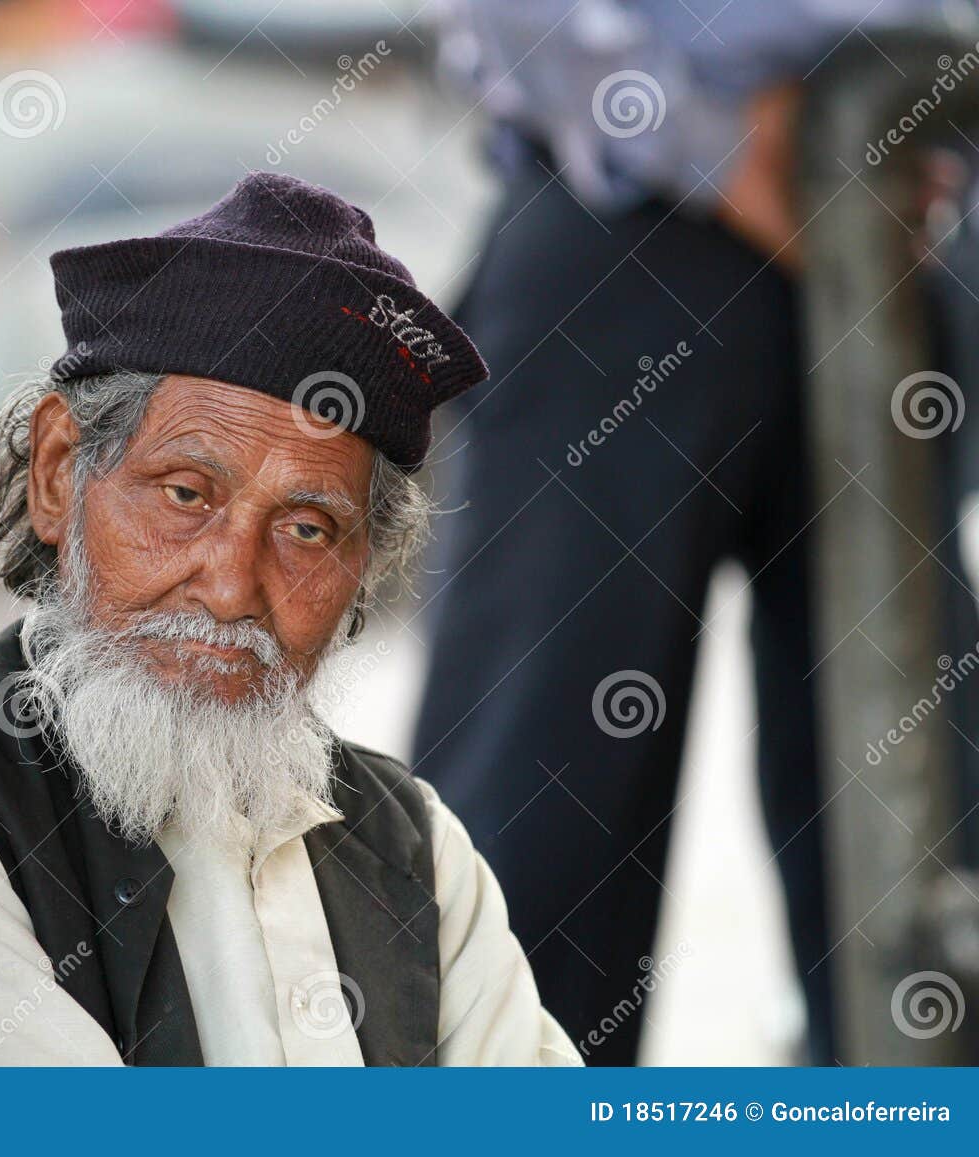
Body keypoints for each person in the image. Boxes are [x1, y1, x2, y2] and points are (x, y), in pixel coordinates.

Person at [0, 172, 579, 1066]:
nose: (230, 587)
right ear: (60, 474)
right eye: (186, 494)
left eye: (307, 529)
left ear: (364, 567)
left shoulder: (417, 849)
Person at [415, 0, 956, 1064]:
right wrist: (713, 142)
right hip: (633, 233)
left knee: (921, 855)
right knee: (532, 844)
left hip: (887, 220)